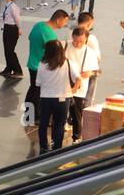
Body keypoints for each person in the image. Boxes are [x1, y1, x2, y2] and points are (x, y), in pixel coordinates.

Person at [25, 8, 71, 143]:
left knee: (32, 89)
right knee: (38, 92)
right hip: (41, 66)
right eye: (65, 21)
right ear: (59, 19)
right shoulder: (49, 34)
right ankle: (35, 117)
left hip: (31, 62)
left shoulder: (38, 25)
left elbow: (30, 38)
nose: (64, 24)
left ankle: (28, 116)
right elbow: (54, 52)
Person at [35, 40, 77, 154]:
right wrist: (75, 89)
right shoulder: (67, 62)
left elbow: (38, 83)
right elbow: (78, 78)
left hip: (46, 98)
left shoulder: (42, 64)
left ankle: (44, 147)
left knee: (43, 123)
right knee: (59, 124)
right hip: (63, 98)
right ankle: (56, 147)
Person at [65, 26, 100, 143]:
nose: (77, 43)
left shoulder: (89, 52)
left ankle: (76, 137)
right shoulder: (65, 46)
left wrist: (86, 74)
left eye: (81, 41)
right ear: (72, 37)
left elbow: (91, 71)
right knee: (61, 111)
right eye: (75, 40)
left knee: (77, 113)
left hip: (79, 87)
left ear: (86, 40)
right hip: (64, 84)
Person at [76, 11, 104, 105]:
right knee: (89, 96)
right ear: (89, 23)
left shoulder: (71, 34)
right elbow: (97, 57)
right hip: (89, 70)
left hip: (74, 69)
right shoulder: (91, 38)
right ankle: (85, 113)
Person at [0, 0, 23, 78]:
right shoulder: (8, 6)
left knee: (10, 51)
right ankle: (8, 69)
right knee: (6, 51)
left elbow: (17, 19)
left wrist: (19, 28)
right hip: (7, 28)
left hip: (12, 29)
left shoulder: (13, 7)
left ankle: (18, 70)